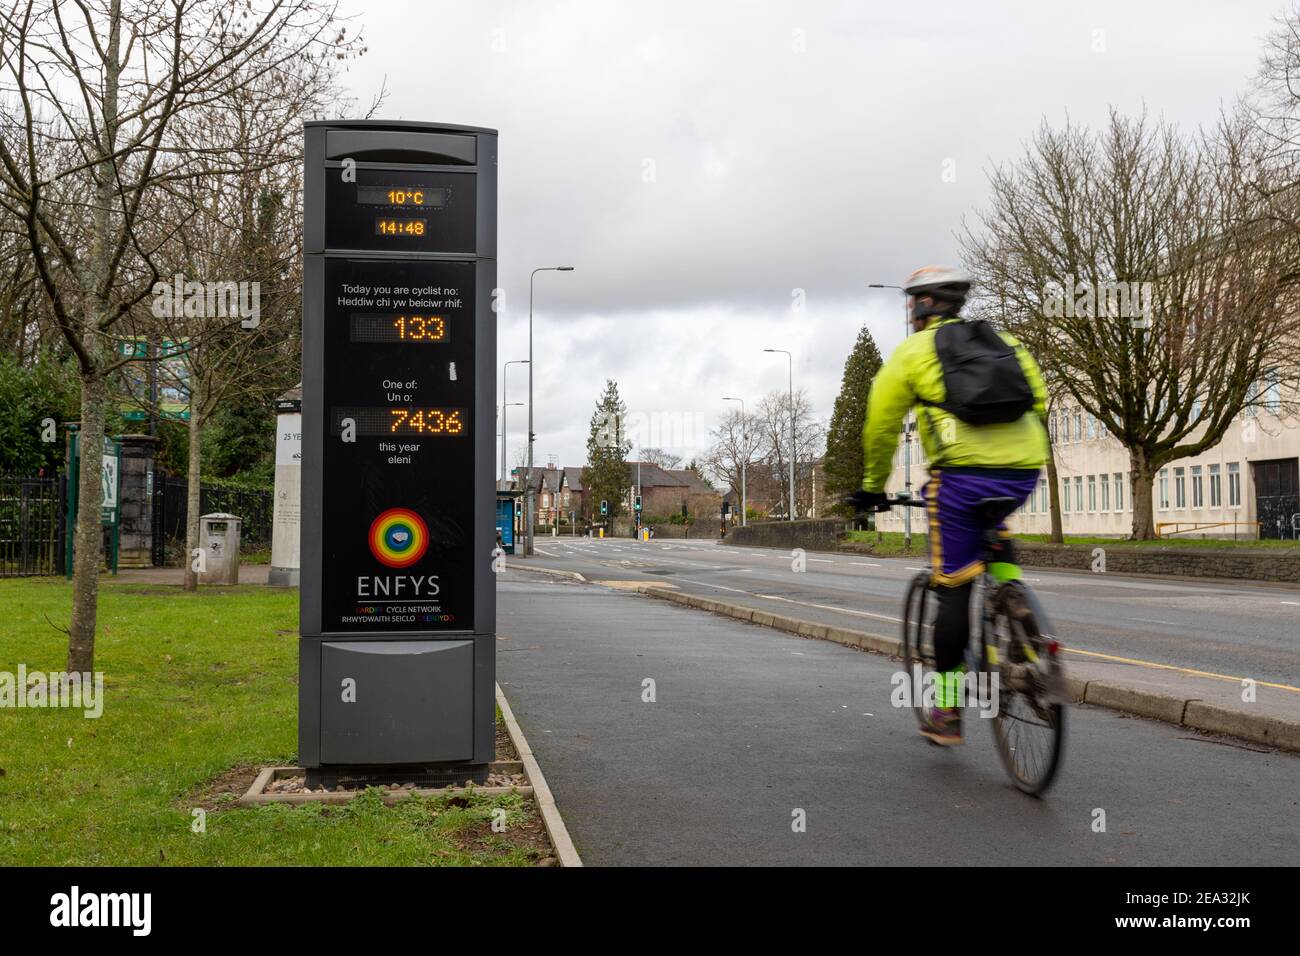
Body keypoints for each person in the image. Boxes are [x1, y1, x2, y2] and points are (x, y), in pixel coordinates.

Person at [851, 266, 1049, 746]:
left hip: (961, 478)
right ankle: (1015, 604)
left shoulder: (913, 353)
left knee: (953, 584)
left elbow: (880, 424)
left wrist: (872, 487)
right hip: (1023, 468)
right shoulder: (1005, 342)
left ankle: (945, 713)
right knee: (994, 530)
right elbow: (1039, 401)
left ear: (921, 306)